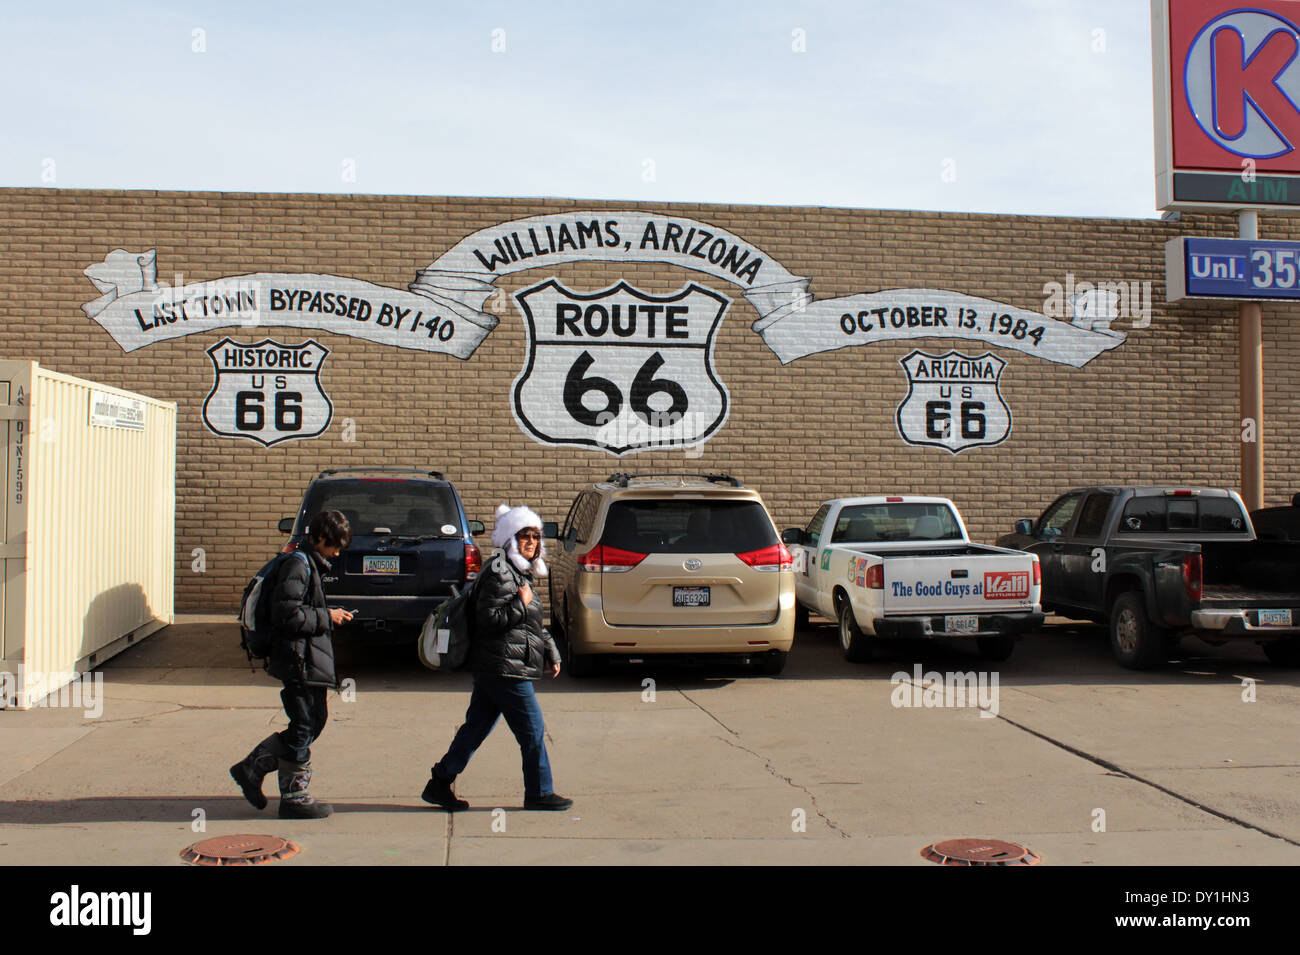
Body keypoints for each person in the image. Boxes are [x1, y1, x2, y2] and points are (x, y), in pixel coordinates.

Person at [422, 503, 573, 812]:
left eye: (535, 536)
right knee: (532, 729)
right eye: (524, 536)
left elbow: (530, 621)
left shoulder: (517, 572)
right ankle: (539, 793)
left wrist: (551, 650)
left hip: (500, 665)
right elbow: (489, 619)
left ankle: (439, 783)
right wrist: (520, 602)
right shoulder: (499, 572)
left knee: (475, 728)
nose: (531, 542)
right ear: (509, 539)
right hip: (503, 667)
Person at [230, 510, 353, 819]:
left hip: (305, 657)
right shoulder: (297, 565)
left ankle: (254, 769)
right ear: (321, 538)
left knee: (313, 721)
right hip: (297, 658)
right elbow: (288, 616)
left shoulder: (308, 564)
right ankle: (292, 795)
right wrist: (329, 616)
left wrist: (329, 613)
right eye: (335, 545)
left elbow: (298, 609)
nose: (337, 552)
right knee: (304, 725)